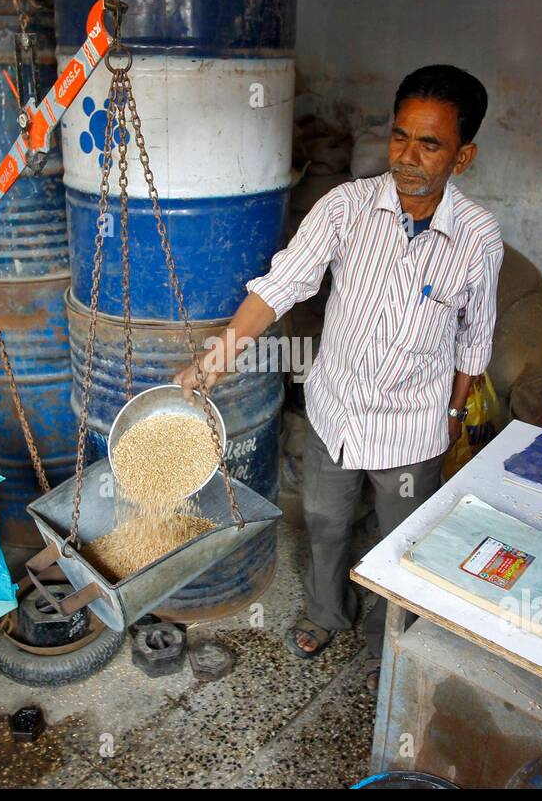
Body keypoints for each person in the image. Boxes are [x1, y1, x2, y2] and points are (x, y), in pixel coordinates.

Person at [176, 65, 503, 691]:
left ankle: (390, 636)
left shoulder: (479, 238)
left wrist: (454, 416)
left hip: (414, 427)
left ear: (464, 156)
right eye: (401, 137)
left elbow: (474, 339)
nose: (407, 157)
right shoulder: (345, 207)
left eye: (429, 144)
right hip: (336, 412)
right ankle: (327, 611)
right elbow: (280, 286)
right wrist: (215, 358)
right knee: (325, 520)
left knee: (401, 537)